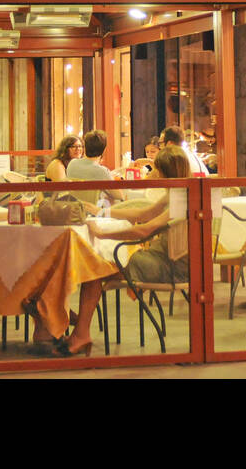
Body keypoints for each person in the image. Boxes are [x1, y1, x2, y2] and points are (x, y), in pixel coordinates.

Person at [60, 146, 193, 356]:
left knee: (96, 268)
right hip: (165, 258)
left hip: (170, 266)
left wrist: (102, 234)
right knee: (97, 265)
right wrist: (102, 212)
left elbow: (144, 229)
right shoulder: (181, 191)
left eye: (156, 169)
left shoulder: (181, 198)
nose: (152, 174)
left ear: (166, 173)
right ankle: (75, 325)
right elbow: (143, 213)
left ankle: (77, 329)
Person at [67, 128, 122, 202]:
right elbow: (119, 196)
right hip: (94, 208)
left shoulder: (72, 164)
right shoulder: (102, 171)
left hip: (74, 207)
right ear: (103, 150)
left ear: (85, 148)